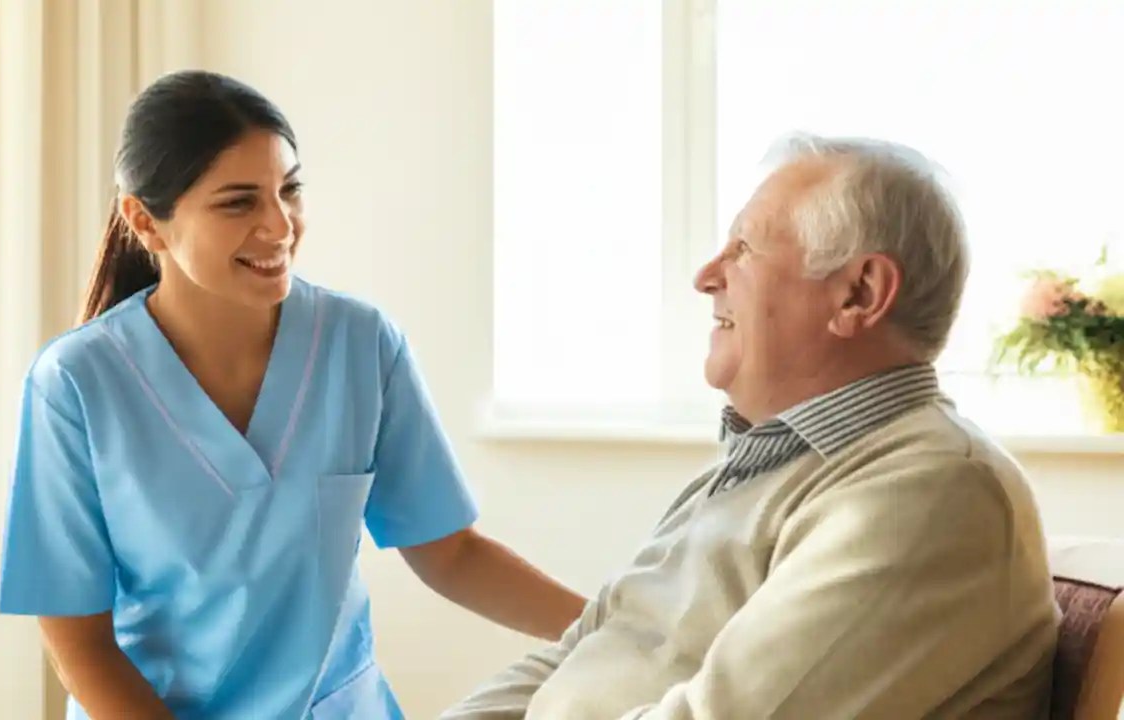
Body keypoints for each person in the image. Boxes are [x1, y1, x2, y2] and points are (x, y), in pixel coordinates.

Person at [0, 70, 586, 720]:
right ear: (147, 221)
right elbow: (76, 640)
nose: (280, 226)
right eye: (238, 202)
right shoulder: (76, 384)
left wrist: (626, 630)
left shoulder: (362, 345)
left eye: (290, 190)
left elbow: (451, 553)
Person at [443, 135, 1060, 719]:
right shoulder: (768, 464)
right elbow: (580, 653)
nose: (706, 276)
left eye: (743, 248)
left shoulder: (933, 490)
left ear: (860, 294)